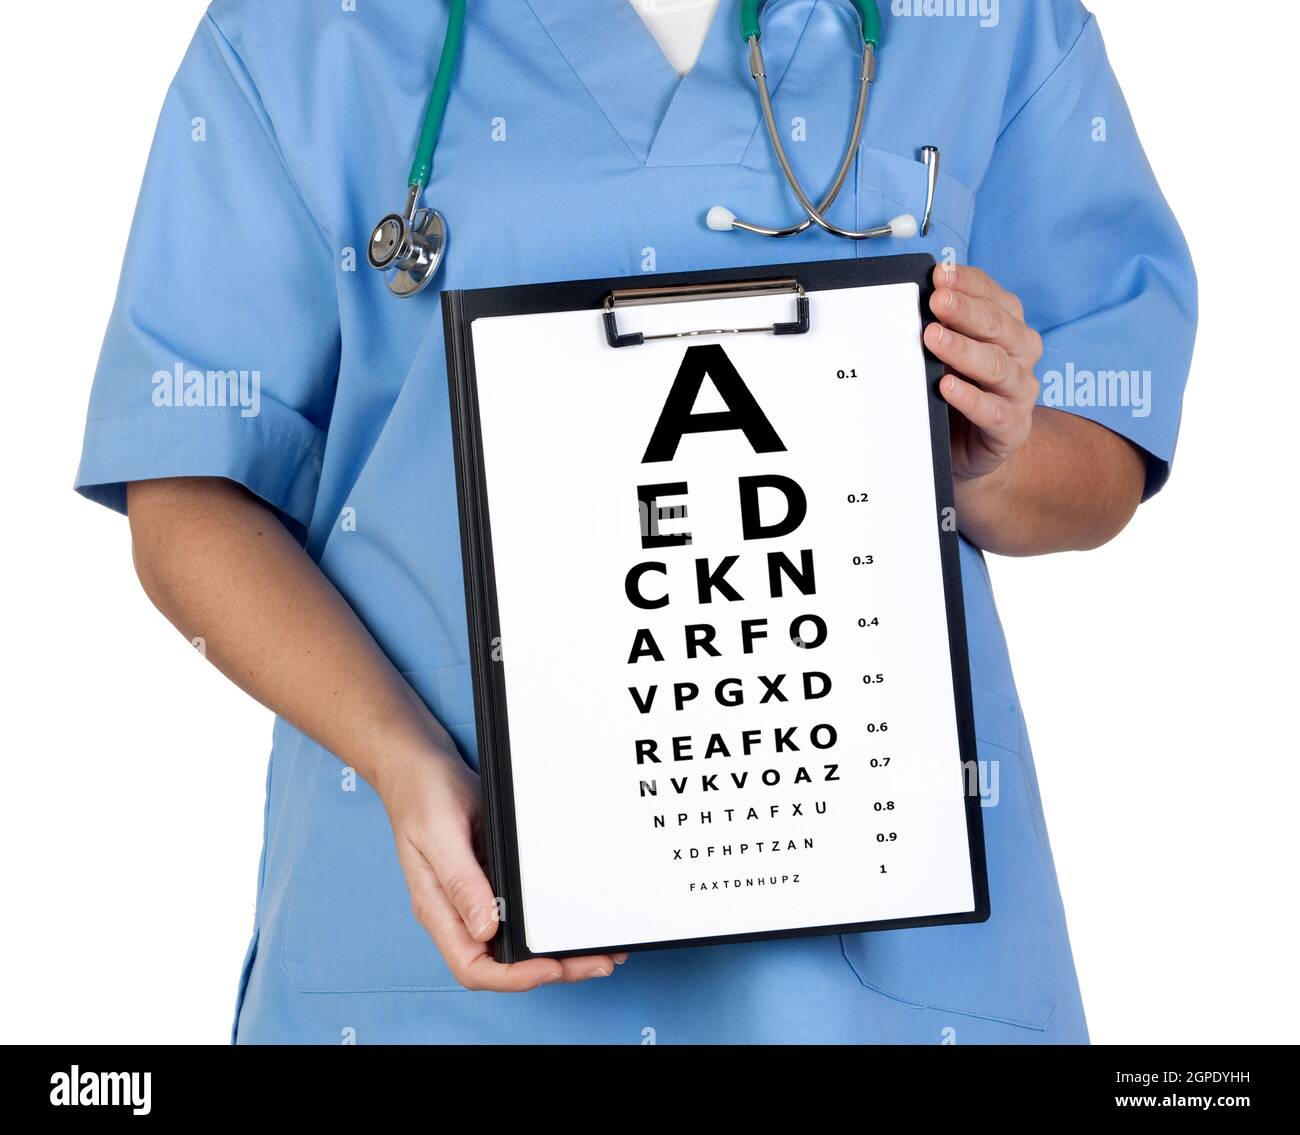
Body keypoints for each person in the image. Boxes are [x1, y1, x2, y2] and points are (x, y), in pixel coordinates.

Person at [75, 0, 1196, 1044]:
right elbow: (189, 484)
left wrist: (986, 459)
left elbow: (1105, 442)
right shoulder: (307, 32)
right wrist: (401, 759)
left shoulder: (986, 25)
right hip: (444, 933)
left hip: (875, 975)